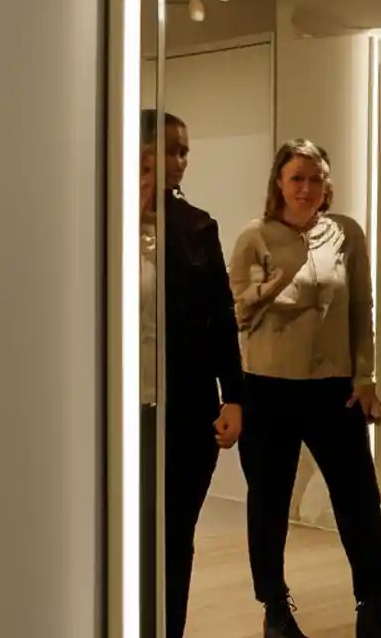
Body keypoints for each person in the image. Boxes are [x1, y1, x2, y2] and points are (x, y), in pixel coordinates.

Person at [229, 139, 381, 638]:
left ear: (328, 183)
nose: (307, 188)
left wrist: (365, 377)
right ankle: (275, 609)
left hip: (333, 389)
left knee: (359, 499)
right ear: (279, 184)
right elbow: (237, 313)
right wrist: (272, 285)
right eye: (297, 178)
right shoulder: (255, 236)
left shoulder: (346, 233)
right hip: (267, 387)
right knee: (269, 502)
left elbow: (361, 308)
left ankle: (372, 607)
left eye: (316, 178)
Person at [138, 110, 245, 637]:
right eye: (169, 149)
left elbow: (222, 317)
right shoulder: (95, 221)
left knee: (173, 536)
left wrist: (234, 396)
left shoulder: (198, 227)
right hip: (114, 408)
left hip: (184, 407)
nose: (179, 161)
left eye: (184, 151)